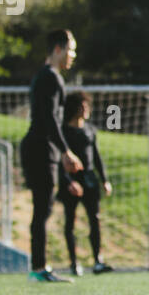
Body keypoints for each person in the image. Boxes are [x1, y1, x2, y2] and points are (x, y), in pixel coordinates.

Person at [19, 29, 82, 283]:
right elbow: (49, 120)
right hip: (40, 148)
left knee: (43, 209)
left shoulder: (46, 77)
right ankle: (39, 268)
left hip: (42, 148)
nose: (73, 55)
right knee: (42, 209)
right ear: (58, 49)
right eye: (71, 50)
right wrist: (66, 151)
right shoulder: (51, 78)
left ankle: (39, 267)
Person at [58, 90, 114, 276]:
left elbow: (96, 157)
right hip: (72, 181)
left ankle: (98, 260)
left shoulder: (90, 130)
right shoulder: (63, 132)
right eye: (82, 105)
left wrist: (104, 180)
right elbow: (59, 160)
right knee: (70, 222)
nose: (86, 109)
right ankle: (74, 263)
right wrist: (68, 182)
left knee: (95, 219)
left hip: (89, 179)